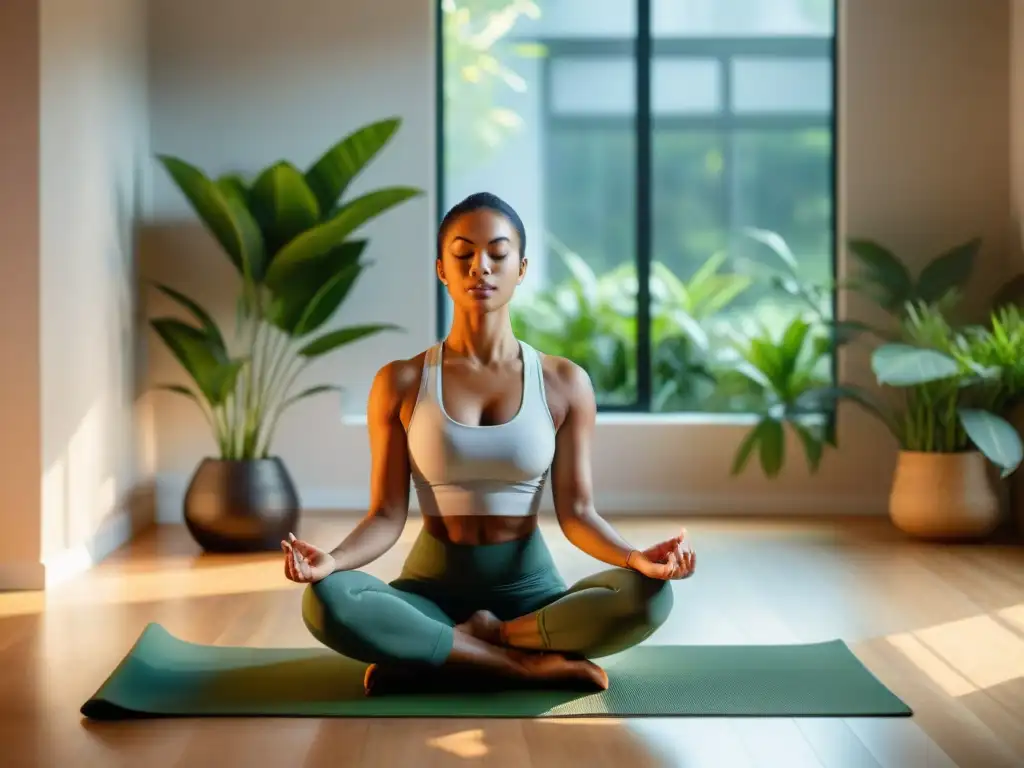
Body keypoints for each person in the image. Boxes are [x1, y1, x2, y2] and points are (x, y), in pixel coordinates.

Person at [281, 192, 696, 696]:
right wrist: (332, 561)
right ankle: (519, 666)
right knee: (326, 600)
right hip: (428, 593)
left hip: (532, 599)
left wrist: (637, 560)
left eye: (498, 254)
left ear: (521, 269)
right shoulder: (402, 381)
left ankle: (453, 649)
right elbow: (387, 515)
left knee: (651, 598)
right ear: (441, 269)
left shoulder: (564, 382)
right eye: (463, 254)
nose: (481, 267)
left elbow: (579, 513)